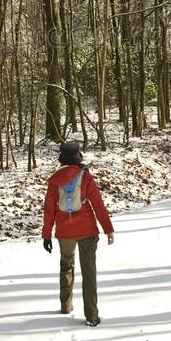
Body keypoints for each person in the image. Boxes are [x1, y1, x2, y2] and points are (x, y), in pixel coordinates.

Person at [41, 139, 114, 326]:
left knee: (66, 266)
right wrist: (108, 229)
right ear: (78, 157)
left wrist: (47, 235)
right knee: (89, 272)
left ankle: (66, 305)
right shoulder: (85, 177)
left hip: (64, 231)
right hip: (87, 230)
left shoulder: (54, 181)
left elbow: (49, 210)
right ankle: (92, 316)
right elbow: (98, 204)